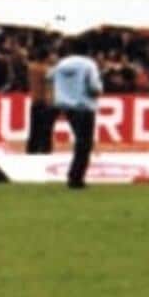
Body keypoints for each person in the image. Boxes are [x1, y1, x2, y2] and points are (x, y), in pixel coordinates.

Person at [48, 40, 103, 190]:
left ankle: (74, 176)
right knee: (84, 143)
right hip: (84, 106)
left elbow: (49, 76)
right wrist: (98, 91)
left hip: (66, 105)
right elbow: (94, 86)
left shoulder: (62, 63)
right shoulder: (88, 64)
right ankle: (76, 178)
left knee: (80, 141)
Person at [23, 56, 55, 154]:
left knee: (34, 130)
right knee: (46, 131)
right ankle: (45, 151)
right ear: (46, 57)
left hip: (35, 102)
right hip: (45, 103)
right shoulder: (47, 70)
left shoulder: (31, 68)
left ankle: (31, 151)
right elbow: (50, 87)